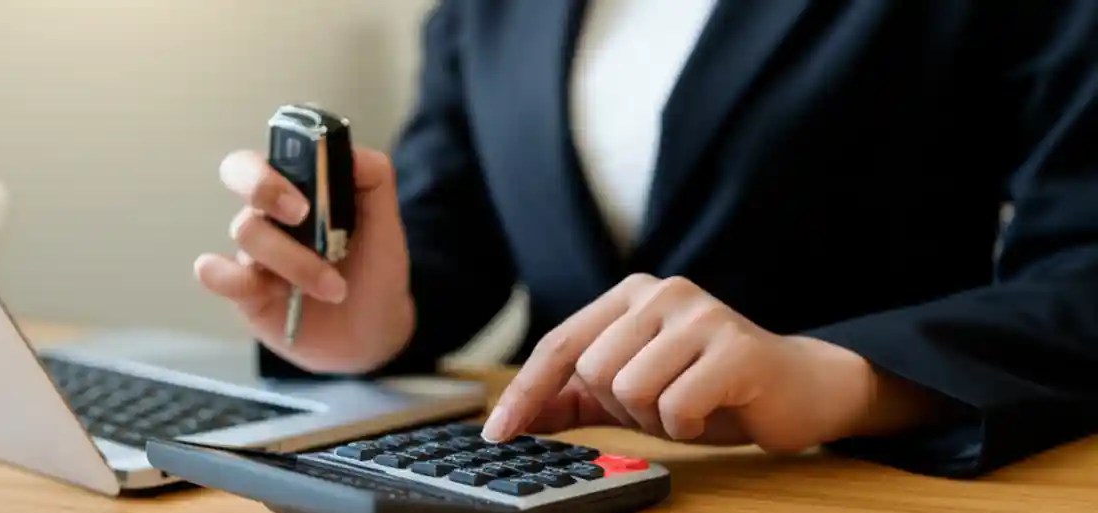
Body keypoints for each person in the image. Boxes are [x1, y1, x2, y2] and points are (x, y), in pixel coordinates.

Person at [195, 0, 1098, 479]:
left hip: (856, 500)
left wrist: (830, 376)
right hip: (546, 482)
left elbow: (1083, 269)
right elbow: (453, 235)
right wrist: (369, 319)